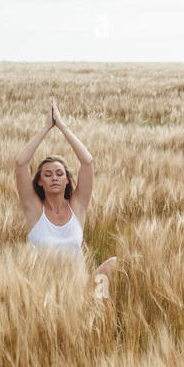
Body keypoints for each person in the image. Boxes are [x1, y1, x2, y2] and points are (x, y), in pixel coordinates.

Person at [14, 97, 119, 282]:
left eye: (59, 174)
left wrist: (62, 126)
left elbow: (87, 162)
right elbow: (21, 163)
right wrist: (46, 127)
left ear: (67, 181)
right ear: (39, 182)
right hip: (42, 294)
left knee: (115, 262)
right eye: (47, 175)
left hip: (78, 292)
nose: (54, 177)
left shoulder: (77, 207)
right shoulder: (34, 210)